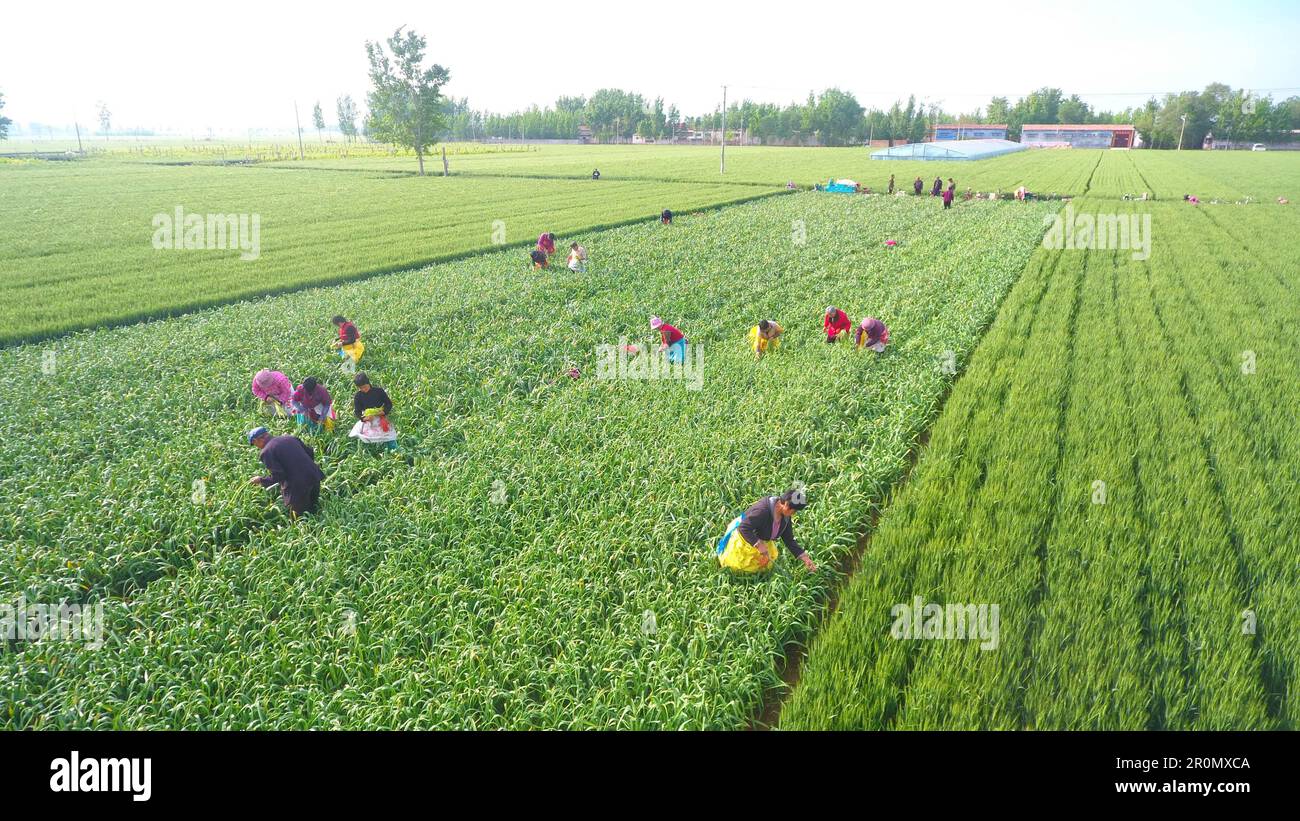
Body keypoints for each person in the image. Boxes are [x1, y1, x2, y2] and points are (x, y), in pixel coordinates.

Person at [715, 489, 817, 574]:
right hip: (747, 539)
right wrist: (758, 545)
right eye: (794, 511)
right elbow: (744, 527)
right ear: (786, 504)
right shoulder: (763, 511)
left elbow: (788, 539)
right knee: (740, 569)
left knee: (762, 569)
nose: (793, 514)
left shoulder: (785, 517)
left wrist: (805, 558)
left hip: (762, 540)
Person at [246, 426, 325, 517]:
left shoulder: (266, 451)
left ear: (256, 440)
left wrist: (261, 480)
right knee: (315, 510)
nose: (257, 447)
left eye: (254, 444)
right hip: (314, 476)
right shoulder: (289, 438)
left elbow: (279, 476)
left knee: (300, 519)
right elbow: (309, 452)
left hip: (298, 487)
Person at [350, 372, 397, 450]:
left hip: (381, 418)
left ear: (368, 383)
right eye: (360, 388)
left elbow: (389, 404)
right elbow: (357, 412)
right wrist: (364, 418)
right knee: (364, 438)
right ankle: (370, 452)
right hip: (368, 420)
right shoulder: (358, 396)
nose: (363, 390)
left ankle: (394, 451)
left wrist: (384, 412)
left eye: (365, 387)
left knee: (389, 436)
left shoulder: (379, 391)